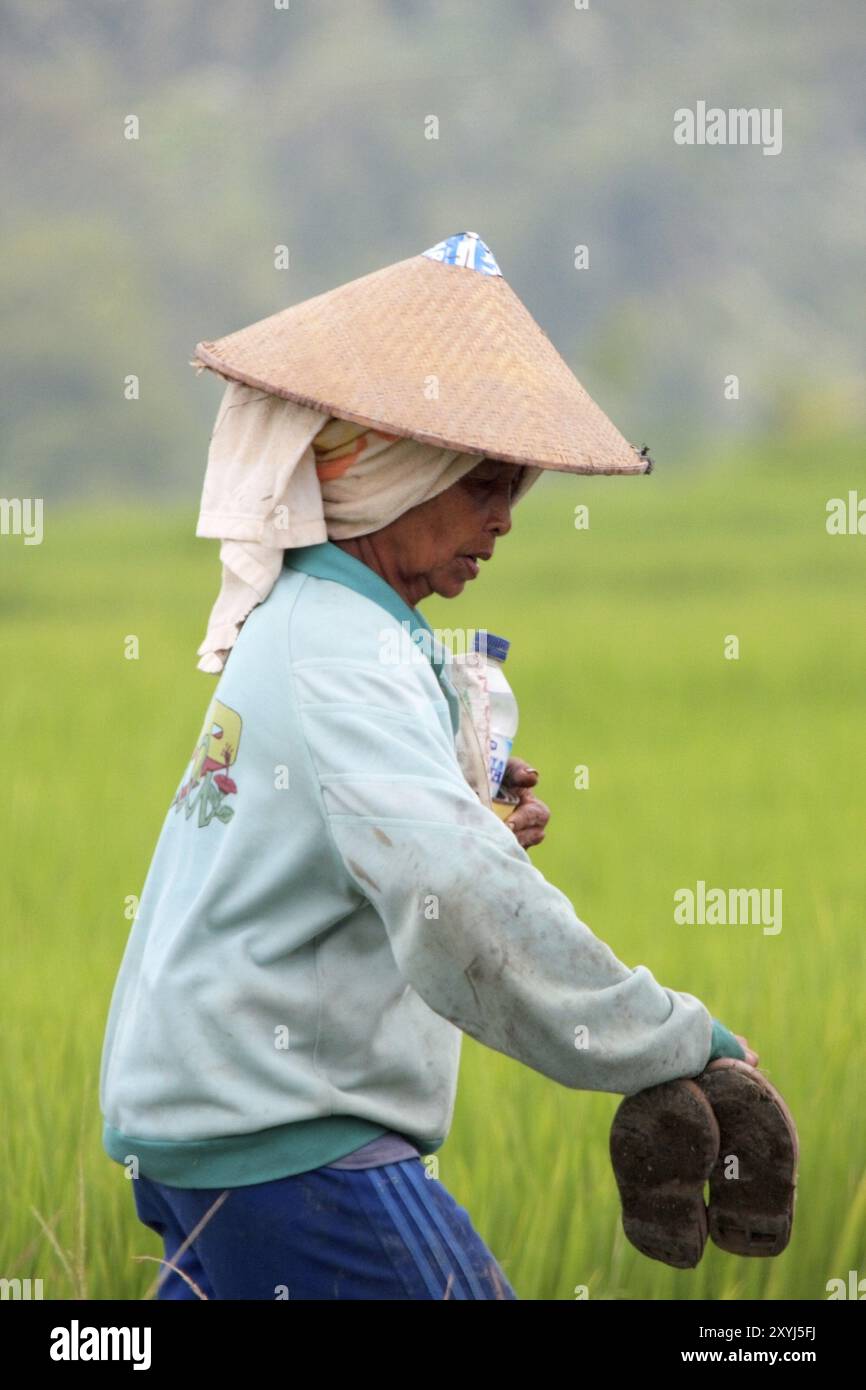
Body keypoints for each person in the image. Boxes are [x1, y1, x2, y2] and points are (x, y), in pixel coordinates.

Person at [99, 233, 767, 1300]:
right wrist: (675, 1041)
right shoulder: (342, 652)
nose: (504, 522)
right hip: (290, 1142)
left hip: (205, 1132)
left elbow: (357, 862)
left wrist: (463, 825)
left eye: (518, 490)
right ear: (386, 469)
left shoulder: (321, 623)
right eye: (484, 485)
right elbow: (457, 898)